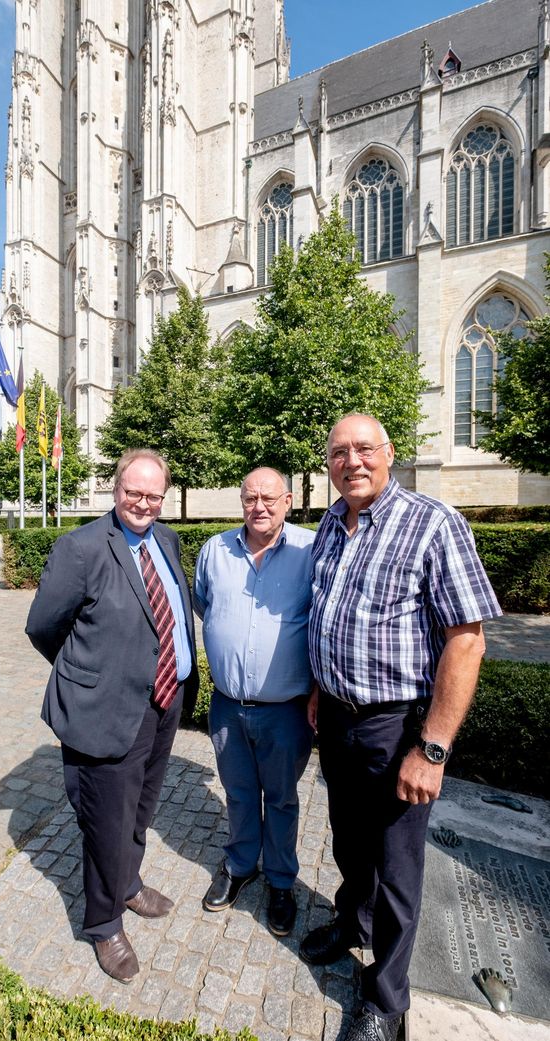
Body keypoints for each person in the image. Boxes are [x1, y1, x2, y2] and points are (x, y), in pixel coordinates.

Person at [300, 414, 501, 1041]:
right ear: (328, 463)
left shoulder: (433, 523)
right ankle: (352, 921)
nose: (352, 462)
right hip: (335, 716)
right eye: (339, 452)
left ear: (389, 455)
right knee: (347, 838)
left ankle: (386, 996)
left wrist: (432, 748)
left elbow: (466, 641)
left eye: (365, 450)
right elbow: (327, 615)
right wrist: (316, 688)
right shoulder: (331, 524)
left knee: (396, 864)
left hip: (397, 726)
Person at [26, 448, 198, 984]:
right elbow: (43, 627)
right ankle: (103, 923)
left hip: (161, 703)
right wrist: (90, 675)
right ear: (115, 489)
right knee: (105, 821)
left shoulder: (166, 540)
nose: (143, 503)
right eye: (133, 493)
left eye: (153, 495)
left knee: (141, 806)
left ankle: (127, 881)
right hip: (104, 711)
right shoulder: (80, 548)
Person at [194, 467, 314, 936]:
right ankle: (241, 865)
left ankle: (282, 881)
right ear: (240, 501)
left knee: (281, 799)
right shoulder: (214, 551)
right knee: (239, 793)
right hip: (226, 706)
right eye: (249, 498)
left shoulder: (310, 549)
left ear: (288, 500)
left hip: (286, 710)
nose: (258, 506)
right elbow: (206, 605)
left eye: (268, 498)